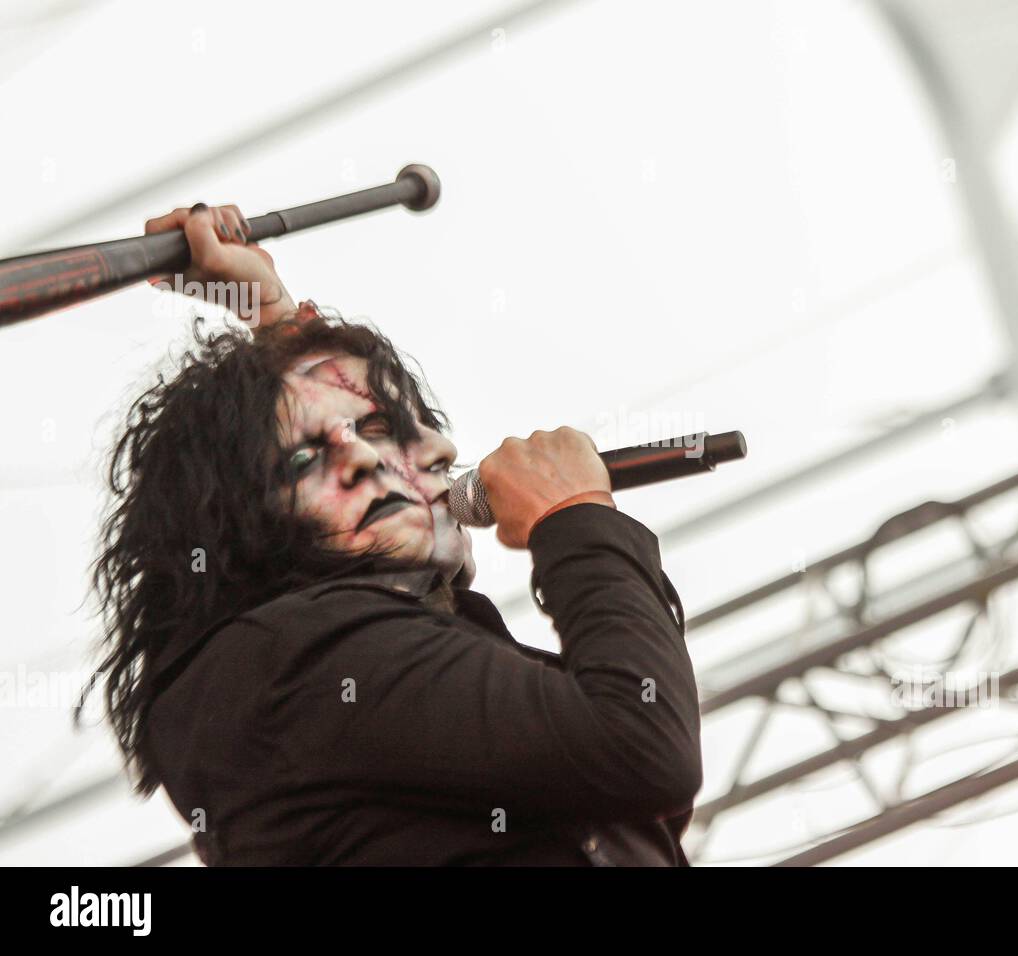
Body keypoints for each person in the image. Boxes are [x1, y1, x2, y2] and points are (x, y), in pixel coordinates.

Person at [87, 202, 702, 865]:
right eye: (303, 461)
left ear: (437, 452)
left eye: (378, 430)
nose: (359, 458)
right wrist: (575, 518)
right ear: (238, 524)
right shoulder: (299, 662)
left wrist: (274, 316)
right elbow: (643, 745)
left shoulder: (357, 663)